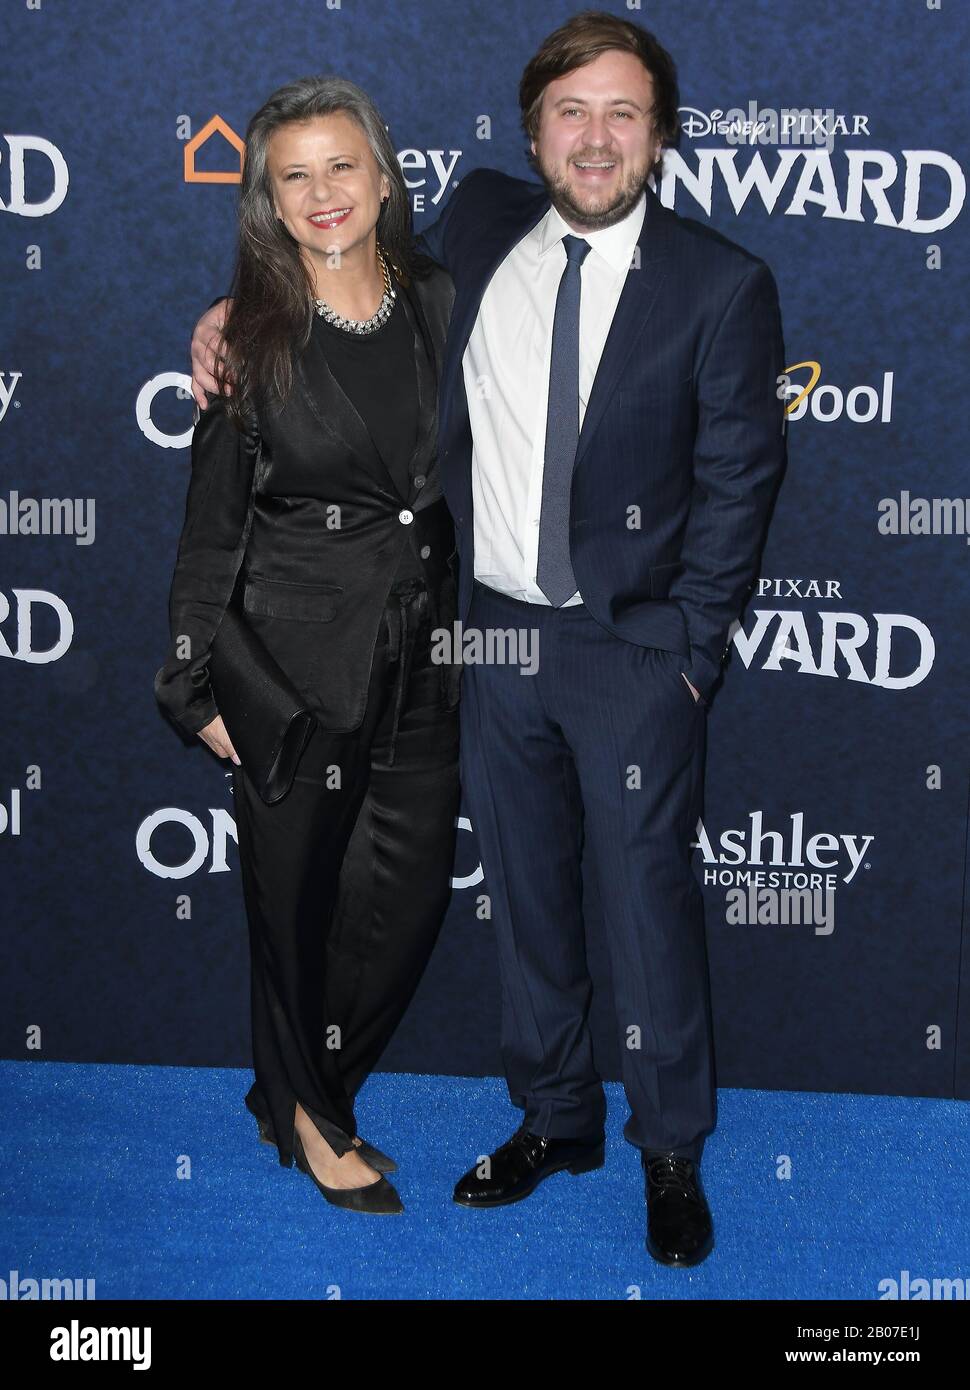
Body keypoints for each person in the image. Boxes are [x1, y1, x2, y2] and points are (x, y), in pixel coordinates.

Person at [190, 12, 788, 1265]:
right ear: (532, 133)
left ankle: (667, 1148)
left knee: (646, 907)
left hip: (633, 650)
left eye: (623, 113)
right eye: (571, 113)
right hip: (488, 636)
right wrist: (224, 320)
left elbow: (740, 479)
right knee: (524, 900)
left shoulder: (719, 282)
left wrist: (690, 649)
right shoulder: (471, 229)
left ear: (661, 137)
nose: (595, 137)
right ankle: (554, 1115)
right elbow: (325, 273)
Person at [156, 75, 461, 1215]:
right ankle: (315, 1121)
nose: (325, 192)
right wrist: (195, 692)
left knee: (410, 893)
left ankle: (294, 1084)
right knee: (289, 905)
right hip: (286, 662)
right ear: (269, 203)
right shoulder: (249, 339)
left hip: (426, 656)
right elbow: (209, 528)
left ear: (385, 177)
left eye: (344, 166)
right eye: (297, 175)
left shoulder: (442, 298)